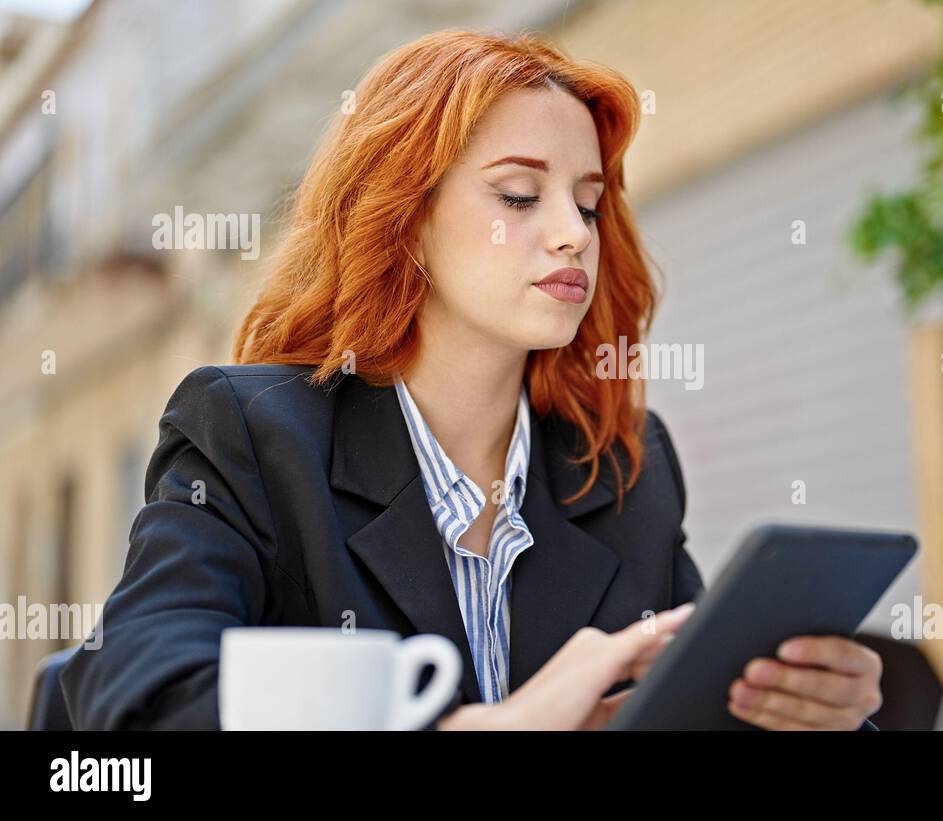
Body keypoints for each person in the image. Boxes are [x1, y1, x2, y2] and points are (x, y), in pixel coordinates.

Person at [60, 29, 883, 731]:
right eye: (520, 196)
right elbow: (137, 701)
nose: (573, 235)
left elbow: (692, 704)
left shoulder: (621, 464)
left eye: (588, 203)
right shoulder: (251, 436)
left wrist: (813, 713)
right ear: (405, 217)